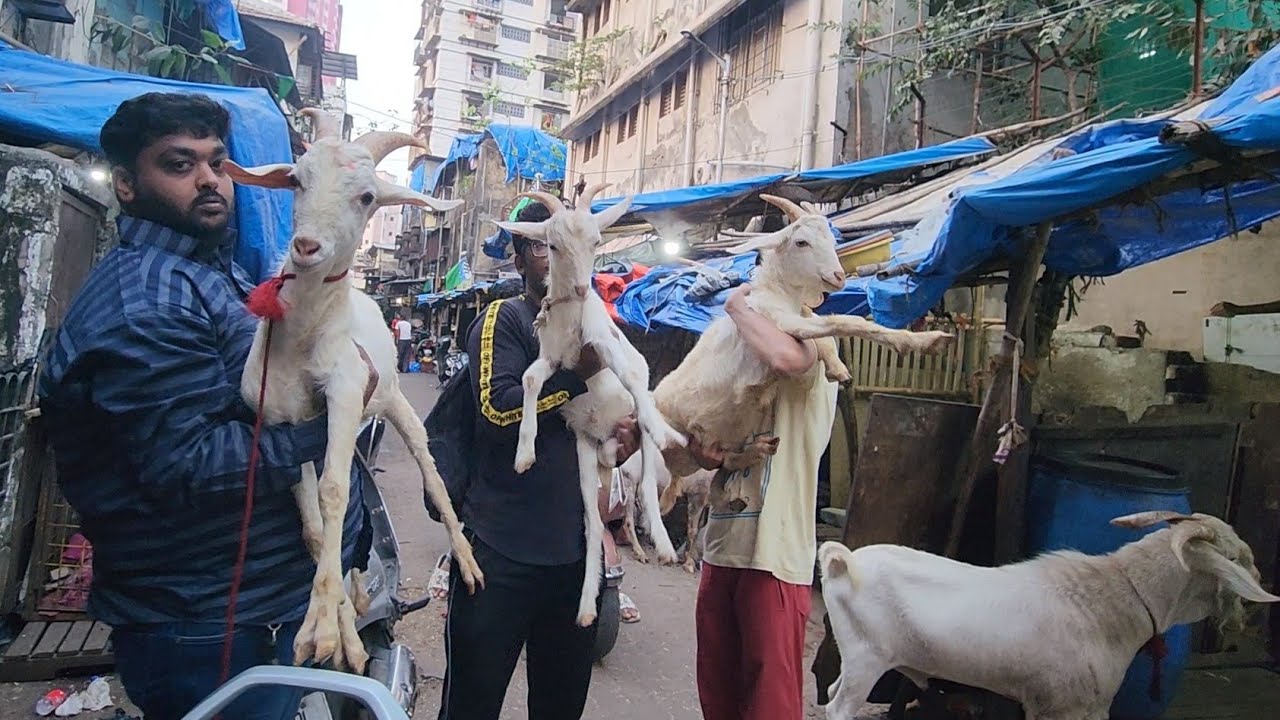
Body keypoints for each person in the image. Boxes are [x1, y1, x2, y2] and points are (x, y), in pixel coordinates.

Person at [37, 92, 365, 720]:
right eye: (180, 165)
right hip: (210, 627)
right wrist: (330, 424)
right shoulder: (147, 301)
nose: (211, 180)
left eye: (217, 162)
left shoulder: (214, 277)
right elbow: (191, 464)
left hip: (248, 612)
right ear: (128, 185)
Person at [437, 200, 639, 720]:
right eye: (544, 245)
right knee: (470, 707)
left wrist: (623, 446)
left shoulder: (597, 328)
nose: (560, 255)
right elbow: (495, 412)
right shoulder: (503, 319)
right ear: (522, 257)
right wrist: (575, 374)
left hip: (574, 562)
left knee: (559, 708)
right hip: (499, 557)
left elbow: (594, 439)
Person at [686, 283, 839, 720]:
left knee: (770, 701)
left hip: (775, 556)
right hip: (723, 547)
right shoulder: (738, 357)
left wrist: (736, 307)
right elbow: (698, 446)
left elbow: (785, 358)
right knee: (718, 692)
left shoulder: (817, 340)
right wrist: (705, 454)